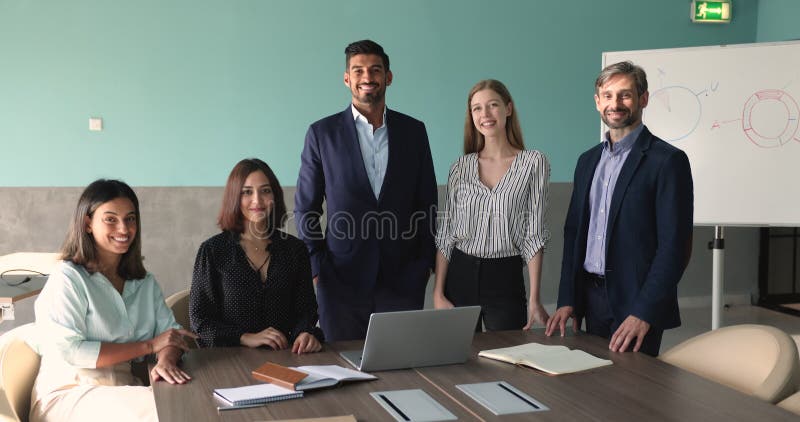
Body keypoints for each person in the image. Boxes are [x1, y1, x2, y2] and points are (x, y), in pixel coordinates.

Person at [545, 61, 694, 357]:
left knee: (634, 396)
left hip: (636, 303)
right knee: (592, 390)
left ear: (643, 99)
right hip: (590, 298)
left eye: (625, 95)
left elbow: (674, 247)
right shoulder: (587, 161)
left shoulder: (667, 161)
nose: (616, 104)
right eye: (608, 95)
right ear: (598, 102)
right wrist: (567, 298)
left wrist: (645, 312)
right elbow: (574, 234)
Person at [294, 39, 438, 341]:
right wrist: (317, 267)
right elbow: (306, 207)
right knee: (342, 373)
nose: (367, 77)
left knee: (401, 371)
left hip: (403, 282)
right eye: (358, 70)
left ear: (388, 76)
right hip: (339, 283)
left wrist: (423, 264)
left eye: (375, 69)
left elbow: (427, 204)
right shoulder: (322, 134)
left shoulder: (414, 132)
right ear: (347, 78)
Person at [31, 179, 196, 422]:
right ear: (88, 223)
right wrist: (150, 346)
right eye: (111, 219)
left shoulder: (144, 282)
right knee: (169, 413)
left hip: (123, 388)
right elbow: (71, 351)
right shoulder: (68, 278)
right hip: (69, 392)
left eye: (130, 218)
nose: (124, 228)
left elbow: (171, 334)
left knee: (192, 401)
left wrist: (166, 361)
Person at [433, 79, 550, 331]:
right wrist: (438, 293)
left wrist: (534, 297)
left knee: (507, 360)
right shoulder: (460, 167)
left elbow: (534, 235)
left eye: (492, 105)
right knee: (459, 363)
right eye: (477, 108)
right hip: (460, 275)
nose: (484, 114)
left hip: (505, 277)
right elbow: (447, 234)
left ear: (508, 109)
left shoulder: (533, 163)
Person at [190, 158, 323, 352]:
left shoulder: (295, 249)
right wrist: (245, 338)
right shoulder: (212, 251)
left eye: (265, 191)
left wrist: (305, 333)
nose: (257, 200)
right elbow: (200, 321)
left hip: (285, 360)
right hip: (229, 362)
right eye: (247, 192)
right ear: (234, 197)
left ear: (275, 195)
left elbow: (306, 311)